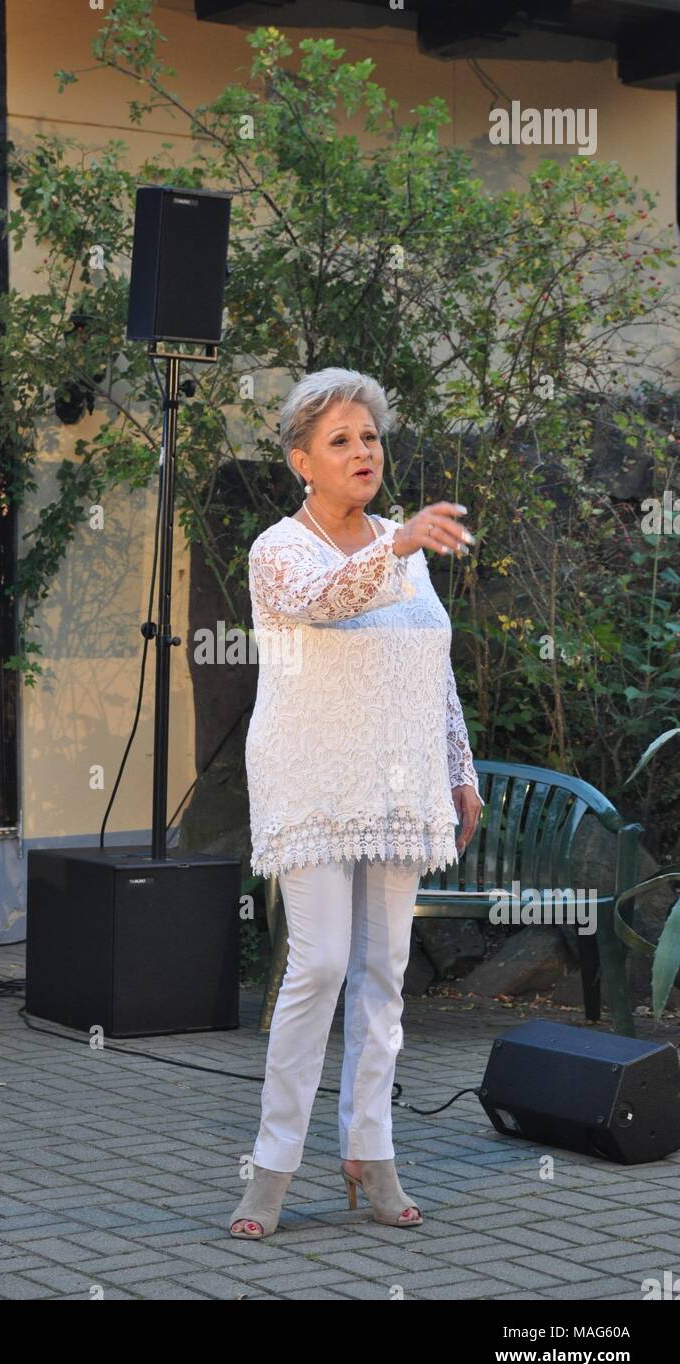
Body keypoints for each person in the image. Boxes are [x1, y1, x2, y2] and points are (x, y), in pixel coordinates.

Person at [230, 367, 483, 1239]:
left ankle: (369, 1153)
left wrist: (459, 768)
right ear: (303, 461)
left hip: (397, 783)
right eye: (340, 440)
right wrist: (401, 545)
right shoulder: (280, 549)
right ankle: (272, 1166)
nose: (361, 451)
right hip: (310, 782)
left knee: (383, 978)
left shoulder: (398, 546)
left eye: (368, 436)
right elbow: (322, 604)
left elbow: (430, 658)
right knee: (322, 965)